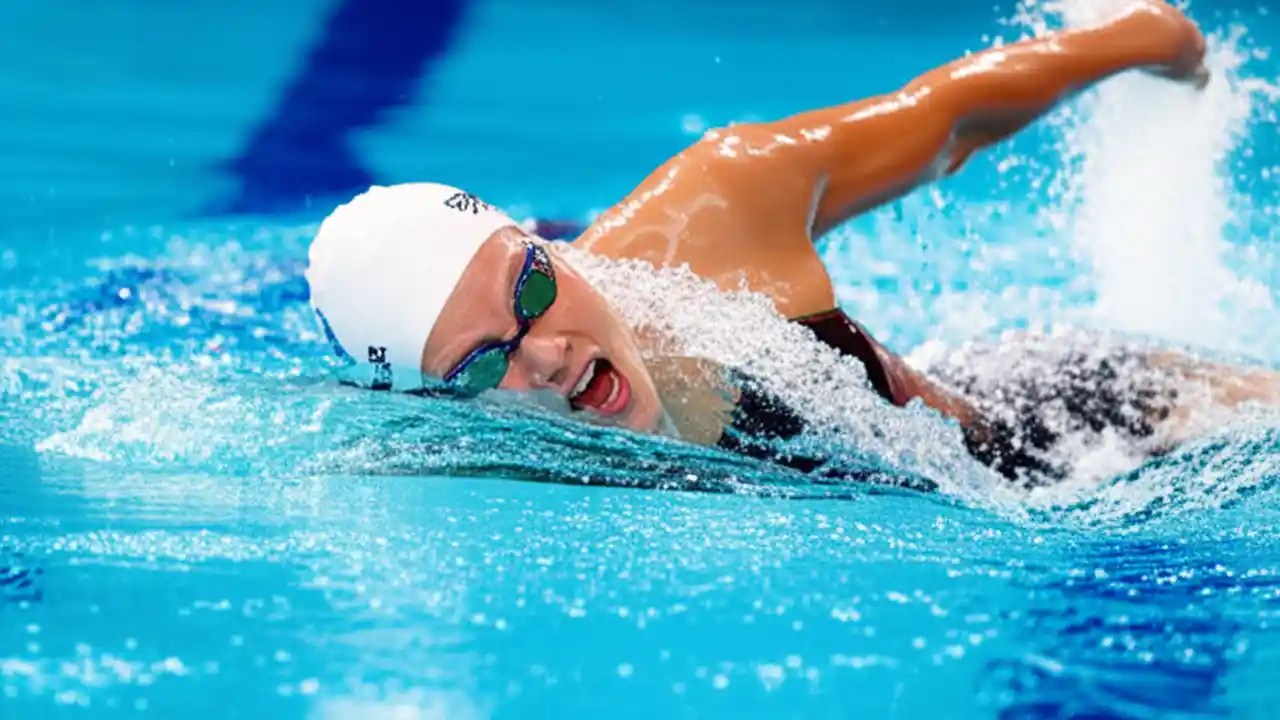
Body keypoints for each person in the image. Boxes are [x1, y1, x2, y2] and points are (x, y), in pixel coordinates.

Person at [304, 0, 1278, 487]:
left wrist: (1143, 41)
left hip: (1067, 428)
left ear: (540, 247)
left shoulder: (708, 215)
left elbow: (941, 119)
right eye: (483, 363)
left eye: (529, 289)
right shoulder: (473, 453)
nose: (548, 353)